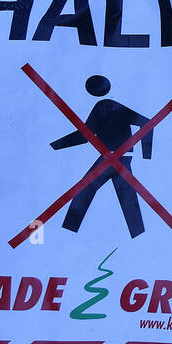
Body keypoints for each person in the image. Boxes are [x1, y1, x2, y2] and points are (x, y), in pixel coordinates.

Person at [51, 75, 152, 237]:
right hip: (115, 157)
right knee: (126, 196)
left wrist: (147, 155)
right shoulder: (102, 107)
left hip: (114, 157)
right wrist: (56, 145)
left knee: (85, 192)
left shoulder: (107, 106)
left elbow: (147, 124)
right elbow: (85, 136)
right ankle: (139, 234)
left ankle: (66, 235)